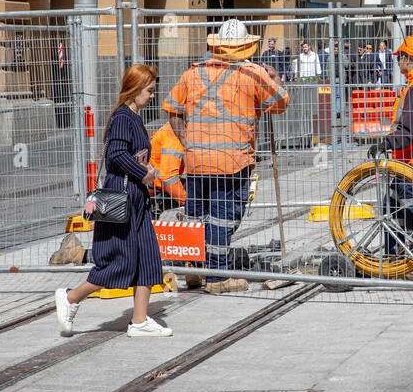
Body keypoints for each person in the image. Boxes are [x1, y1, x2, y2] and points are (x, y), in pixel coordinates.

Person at [163, 19, 289, 293]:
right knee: (223, 217)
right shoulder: (253, 73)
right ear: (246, 45)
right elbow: (279, 105)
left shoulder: (193, 73)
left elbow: (172, 109)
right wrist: (276, 79)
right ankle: (218, 278)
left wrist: (186, 141)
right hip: (232, 163)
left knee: (197, 218)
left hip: (197, 161)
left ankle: (195, 271)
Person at [54, 63, 173, 338]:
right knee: (118, 262)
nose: (153, 95)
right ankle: (70, 298)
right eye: (149, 90)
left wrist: (145, 172)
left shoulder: (133, 117)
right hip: (122, 201)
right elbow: (116, 156)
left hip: (135, 201)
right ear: (134, 90)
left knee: (147, 259)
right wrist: (144, 173)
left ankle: (140, 320)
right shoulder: (123, 117)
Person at [367, 36, 413, 270]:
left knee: (408, 216)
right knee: (393, 210)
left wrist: (385, 143)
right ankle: (393, 261)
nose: (398, 62)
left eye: (400, 58)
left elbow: (409, 131)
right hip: (411, 162)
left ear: (409, 60)